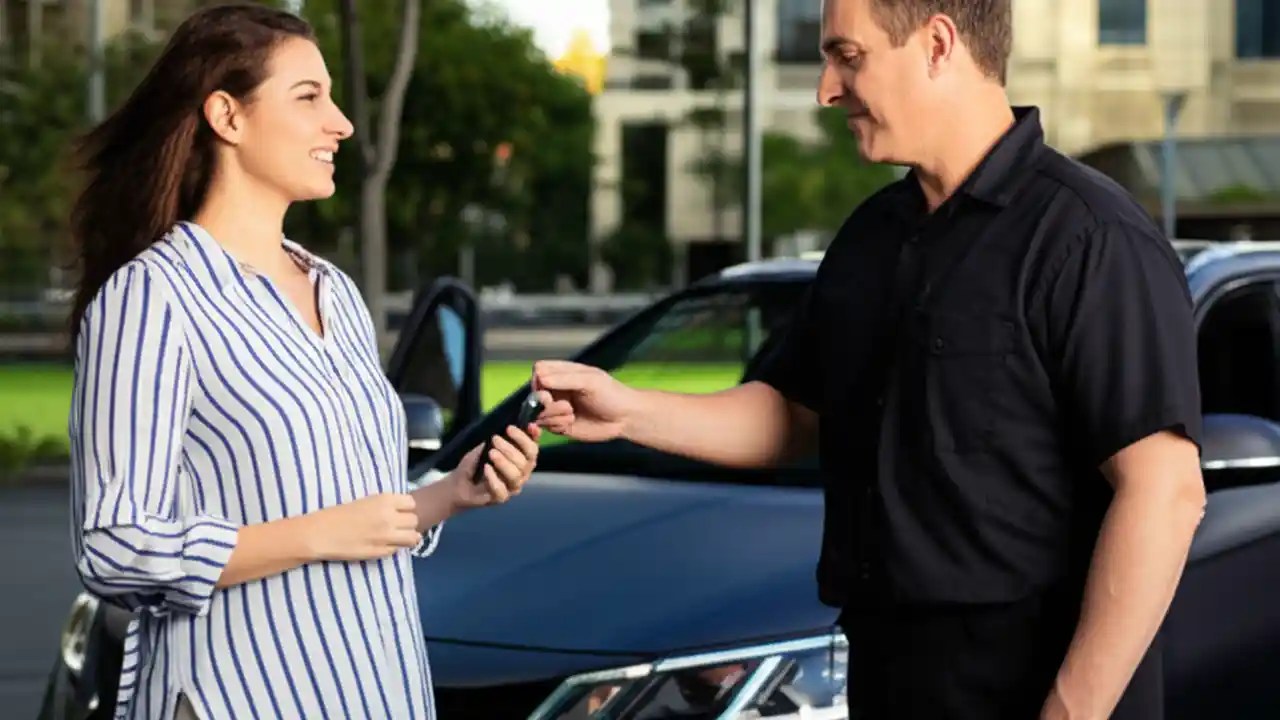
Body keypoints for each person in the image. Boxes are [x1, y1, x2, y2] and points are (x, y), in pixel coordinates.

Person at [531, 1, 1206, 718]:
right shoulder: (869, 238)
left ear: (938, 44)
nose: (827, 90)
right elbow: (791, 414)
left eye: (848, 57)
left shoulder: (1090, 237)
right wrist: (628, 410)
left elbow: (1164, 492)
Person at [65, 5, 540, 719]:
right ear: (227, 116)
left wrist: (450, 494)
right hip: (237, 698)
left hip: (377, 689)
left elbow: (356, 511)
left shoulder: (334, 292)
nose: (341, 124)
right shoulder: (152, 297)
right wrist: (315, 536)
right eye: (309, 97)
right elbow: (114, 546)